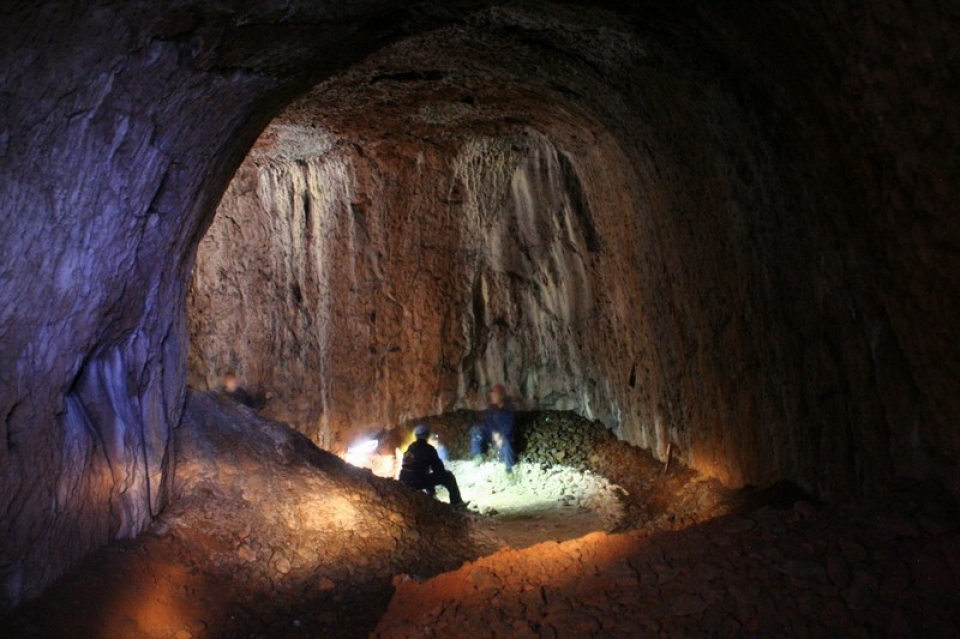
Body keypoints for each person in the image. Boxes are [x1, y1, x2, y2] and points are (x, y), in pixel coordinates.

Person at [399, 424, 468, 508]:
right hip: (416, 482)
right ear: (427, 435)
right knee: (448, 476)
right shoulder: (428, 449)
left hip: (404, 481)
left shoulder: (411, 447)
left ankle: (431, 496)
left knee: (426, 473)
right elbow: (438, 469)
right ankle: (456, 502)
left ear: (416, 436)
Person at [470, 383, 517, 474]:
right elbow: (487, 423)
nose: (492, 397)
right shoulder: (492, 408)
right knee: (475, 430)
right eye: (492, 395)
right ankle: (478, 454)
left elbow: (509, 427)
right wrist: (494, 433)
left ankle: (509, 468)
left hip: (504, 435)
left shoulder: (509, 409)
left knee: (506, 444)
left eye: (495, 395)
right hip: (492, 435)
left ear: (502, 396)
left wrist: (500, 436)